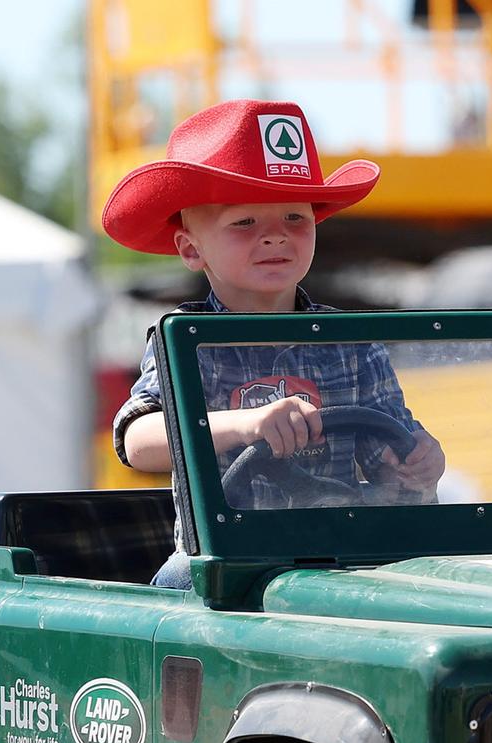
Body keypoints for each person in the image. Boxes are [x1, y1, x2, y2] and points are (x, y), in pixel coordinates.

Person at [102, 99, 448, 587]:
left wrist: (419, 464)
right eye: (244, 222)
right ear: (190, 248)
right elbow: (138, 442)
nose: (274, 237)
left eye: (294, 218)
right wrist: (246, 425)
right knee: (179, 580)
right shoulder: (183, 338)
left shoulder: (349, 343)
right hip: (222, 558)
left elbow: (388, 457)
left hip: (338, 554)